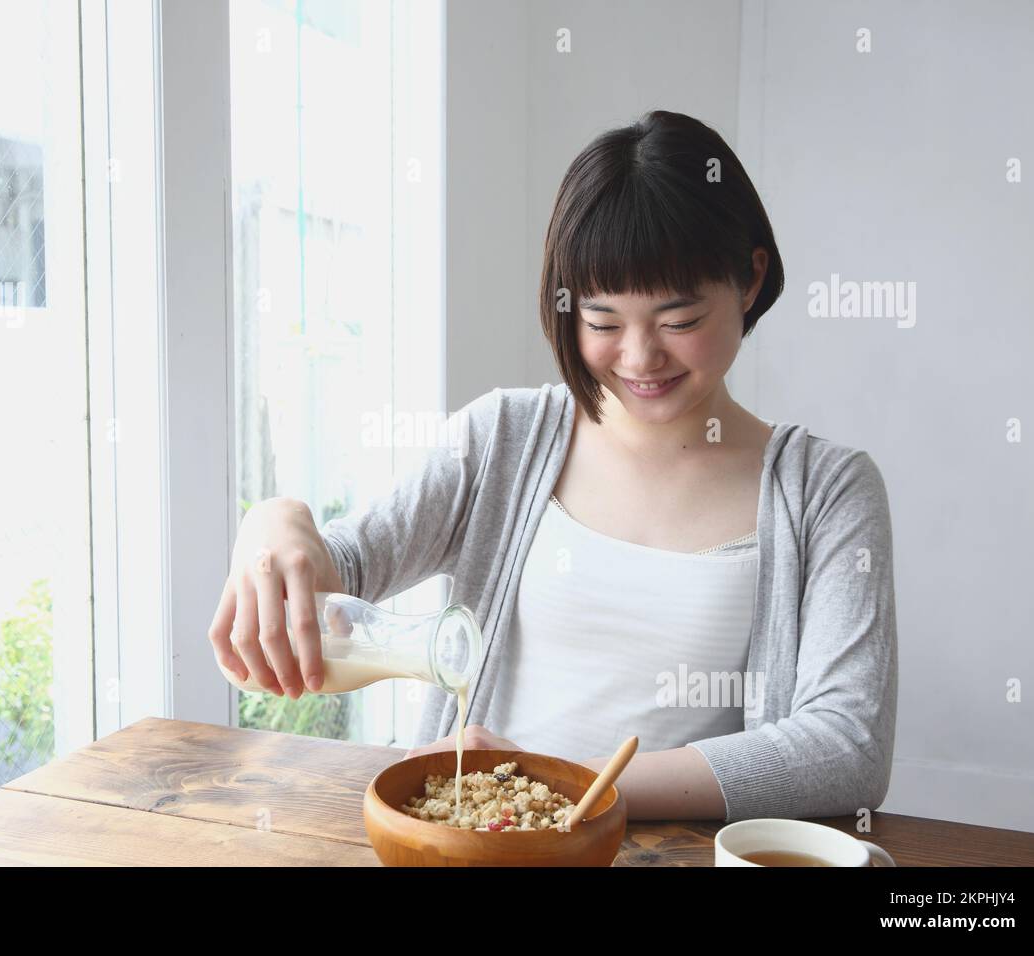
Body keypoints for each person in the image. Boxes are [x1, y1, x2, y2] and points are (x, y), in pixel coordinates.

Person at [208, 110, 898, 822]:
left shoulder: (827, 494)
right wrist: (274, 520)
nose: (639, 358)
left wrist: (559, 783)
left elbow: (846, 748)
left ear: (750, 281)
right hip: (479, 844)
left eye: (680, 320)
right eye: (602, 323)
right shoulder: (503, 438)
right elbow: (347, 572)